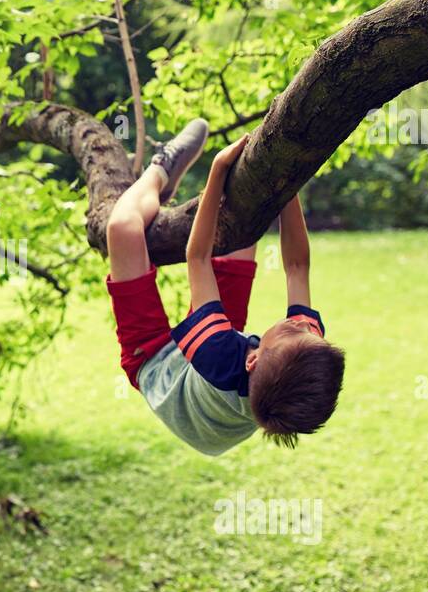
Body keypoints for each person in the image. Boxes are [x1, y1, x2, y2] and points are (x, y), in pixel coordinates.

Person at [104, 120, 345, 453]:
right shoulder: (302, 346)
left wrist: (217, 170)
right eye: (307, 331)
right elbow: (297, 267)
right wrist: (289, 187)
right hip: (221, 381)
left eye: (291, 331)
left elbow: (197, 256)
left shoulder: (218, 352)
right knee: (242, 233)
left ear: (252, 359)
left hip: (157, 366)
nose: (296, 323)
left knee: (123, 229)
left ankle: (159, 170)